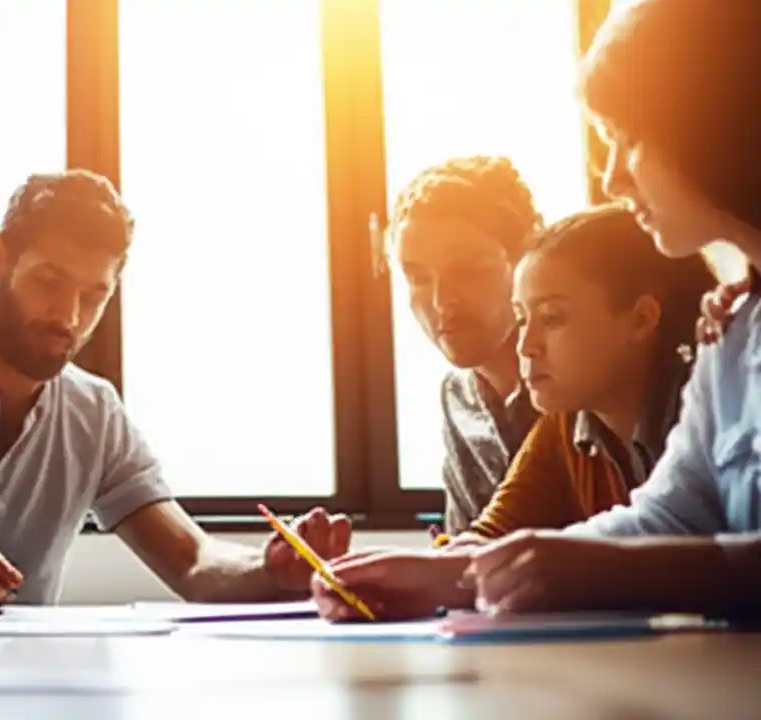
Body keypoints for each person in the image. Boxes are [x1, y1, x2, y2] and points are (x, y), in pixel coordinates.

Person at [321, 0, 761, 620]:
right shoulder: (736, 330)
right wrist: (454, 574)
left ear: (709, 128)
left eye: (626, 141)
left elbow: (669, 547)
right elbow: (673, 514)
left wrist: (601, 570)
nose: (611, 179)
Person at [0, 170, 348, 609]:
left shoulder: (94, 413)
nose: (68, 317)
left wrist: (275, 569)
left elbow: (194, 561)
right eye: (49, 282)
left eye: (94, 295)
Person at [315, 206, 713, 620]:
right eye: (522, 319)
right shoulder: (562, 425)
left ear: (642, 319)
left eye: (552, 318)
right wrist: (414, 574)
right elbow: (492, 536)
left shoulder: (705, 411)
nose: (526, 346)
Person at [385, 156, 542, 533]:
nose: (441, 302)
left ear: (526, 260)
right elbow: (462, 552)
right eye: (418, 277)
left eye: (468, 271)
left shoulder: (584, 382)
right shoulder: (458, 399)